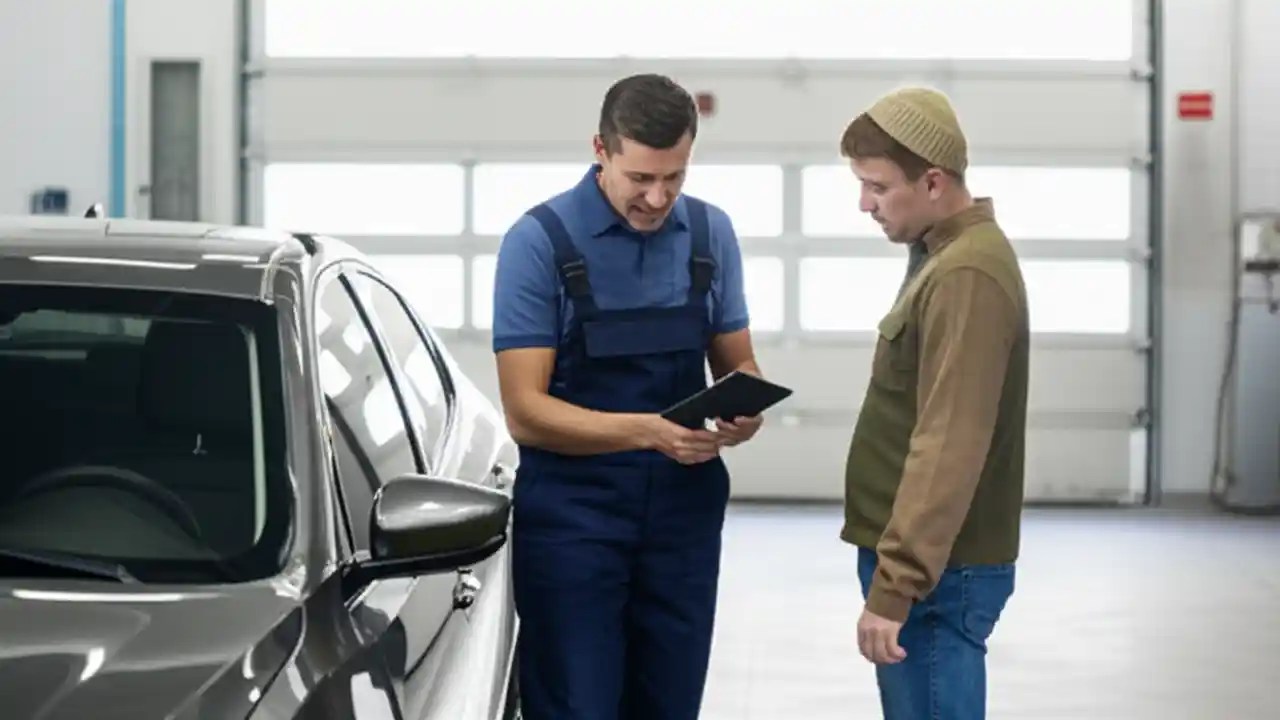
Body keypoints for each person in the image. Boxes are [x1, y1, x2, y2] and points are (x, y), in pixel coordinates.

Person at [491, 73, 765, 720]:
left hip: (683, 519)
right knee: (578, 703)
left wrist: (742, 413)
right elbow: (525, 412)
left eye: (674, 177)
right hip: (573, 522)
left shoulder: (710, 235)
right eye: (641, 177)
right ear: (600, 149)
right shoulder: (538, 245)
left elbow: (739, 365)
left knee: (669, 703)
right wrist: (649, 432)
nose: (658, 196)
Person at [837, 86, 1030, 719]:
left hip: (938, 577)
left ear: (934, 183)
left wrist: (897, 586)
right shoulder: (940, 256)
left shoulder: (966, 275)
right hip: (931, 569)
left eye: (878, 186)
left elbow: (947, 444)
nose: (864, 203)